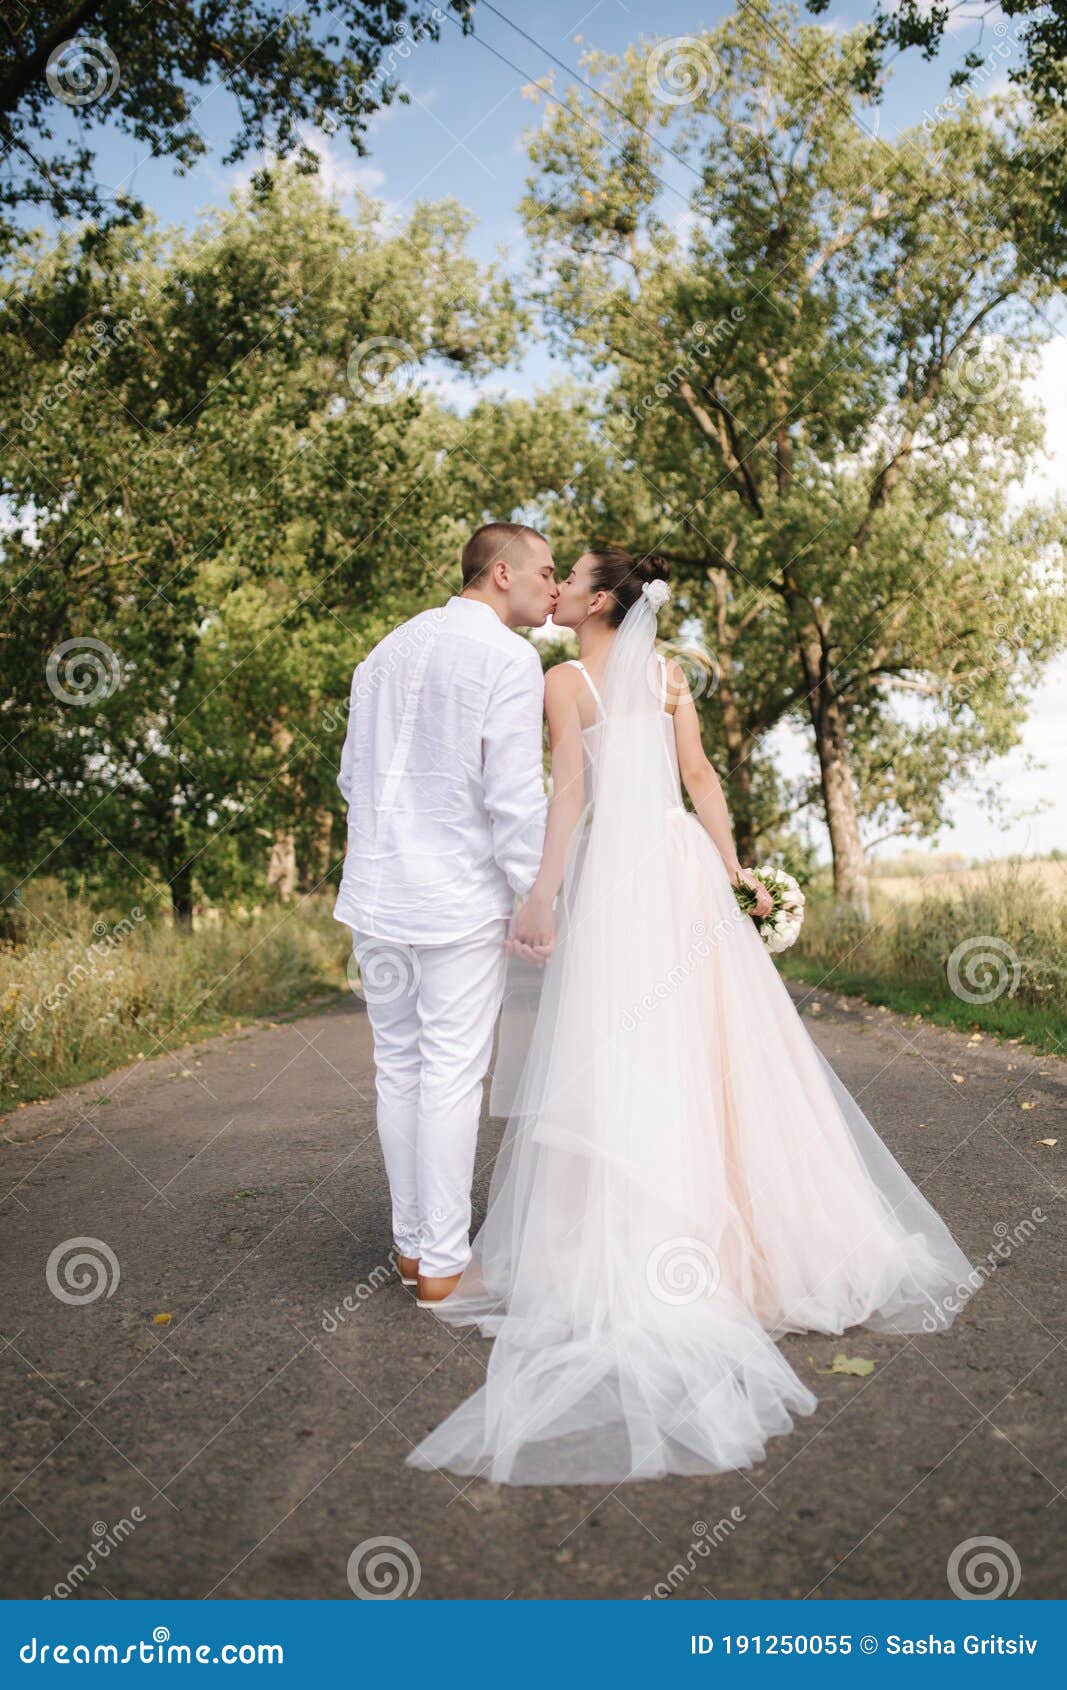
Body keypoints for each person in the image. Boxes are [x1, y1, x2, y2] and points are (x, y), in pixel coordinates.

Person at [407, 549, 976, 1485]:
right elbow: (702, 781)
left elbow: (572, 797)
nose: (556, 588)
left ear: (596, 601)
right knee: (712, 1046)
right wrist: (733, 870)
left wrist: (541, 893)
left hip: (621, 876)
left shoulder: (563, 683)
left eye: (571, 576)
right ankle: (738, 1254)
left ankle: (649, 1247)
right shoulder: (668, 675)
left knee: (625, 1044)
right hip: (677, 867)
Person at [333, 522, 558, 1308]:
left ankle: (410, 1249)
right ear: (502, 573)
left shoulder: (384, 651)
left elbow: (348, 775)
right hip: (456, 896)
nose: (553, 587)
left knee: (399, 1067)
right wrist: (538, 899)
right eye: (545, 572)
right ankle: (444, 1265)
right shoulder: (508, 657)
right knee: (452, 1076)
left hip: (375, 889)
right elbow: (513, 799)